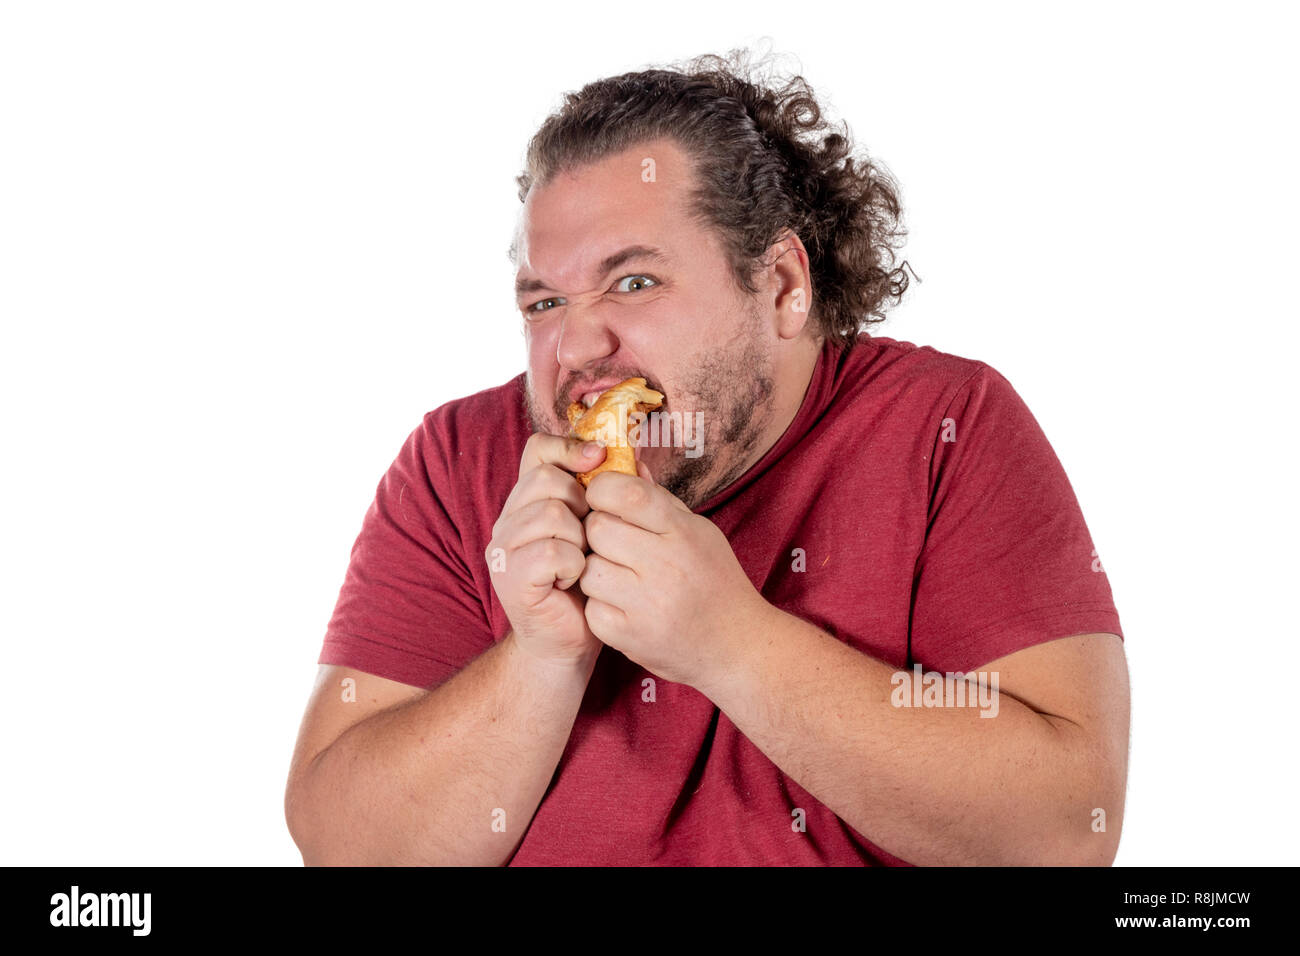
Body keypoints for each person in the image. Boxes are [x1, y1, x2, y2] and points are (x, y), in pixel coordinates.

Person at [284, 49, 1129, 866]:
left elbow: (1066, 831)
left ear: (783, 287)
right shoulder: (457, 458)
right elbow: (341, 846)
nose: (578, 345)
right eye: (545, 300)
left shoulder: (947, 424)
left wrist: (731, 645)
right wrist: (542, 657)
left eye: (635, 282)